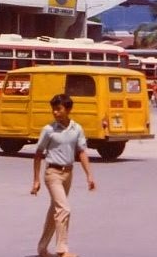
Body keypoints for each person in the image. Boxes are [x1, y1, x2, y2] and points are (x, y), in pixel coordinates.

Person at [31, 94, 96, 257]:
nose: (55, 112)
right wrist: (36, 180)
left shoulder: (77, 129)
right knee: (64, 209)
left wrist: (89, 175)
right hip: (52, 173)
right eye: (53, 109)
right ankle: (62, 250)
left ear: (68, 109)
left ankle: (42, 248)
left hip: (68, 173)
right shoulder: (48, 130)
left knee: (56, 210)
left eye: (58, 109)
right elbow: (38, 154)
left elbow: (81, 152)